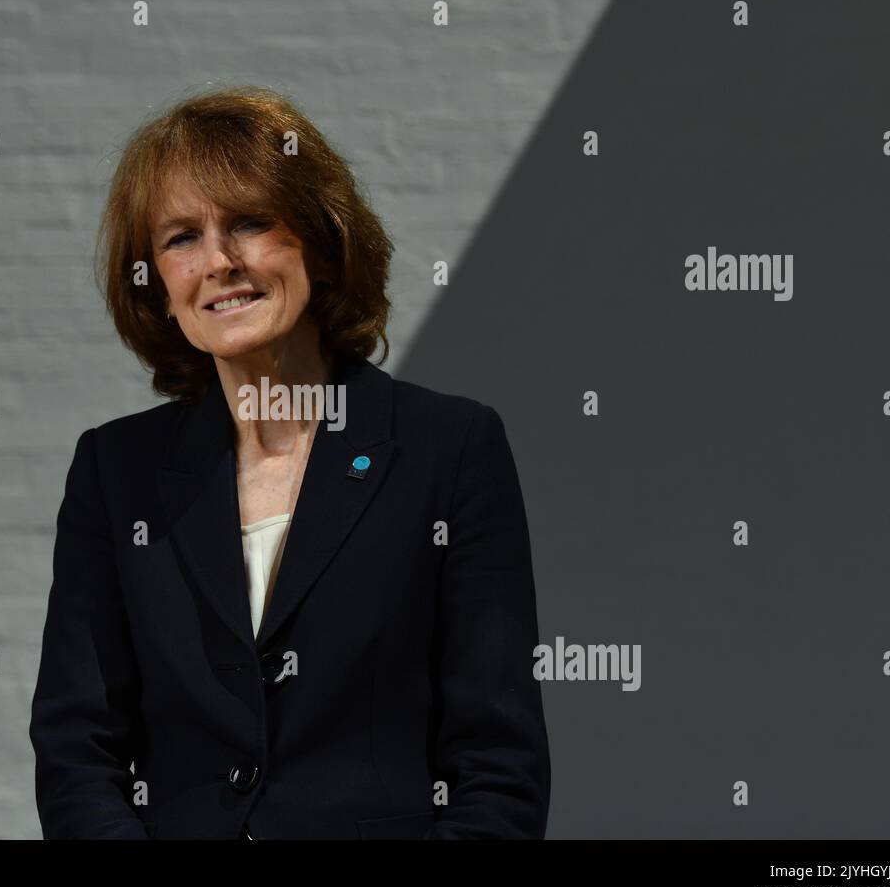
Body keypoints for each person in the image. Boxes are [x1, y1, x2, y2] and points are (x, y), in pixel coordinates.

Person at [29, 85, 550, 839]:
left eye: (248, 223)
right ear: (158, 287)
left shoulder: (450, 449)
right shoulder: (115, 472)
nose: (218, 262)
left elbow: (498, 768)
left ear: (319, 241)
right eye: (181, 238)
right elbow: (78, 753)